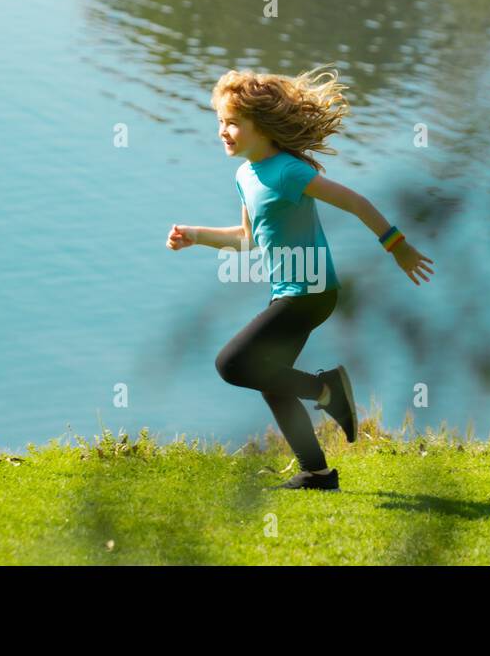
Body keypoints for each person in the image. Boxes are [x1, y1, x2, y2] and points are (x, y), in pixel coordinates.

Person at [166, 65, 434, 490]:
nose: (223, 131)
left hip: (311, 292)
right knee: (271, 380)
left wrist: (396, 245)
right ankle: (318, 473)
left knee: (233, 364)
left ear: (263, 126)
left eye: (233, 123)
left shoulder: (289, 171)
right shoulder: (245, 176)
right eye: (220, 121)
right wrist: (195, 237)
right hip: (287, 293)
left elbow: (355, 202)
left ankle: (328, 390)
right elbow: (248, 239)